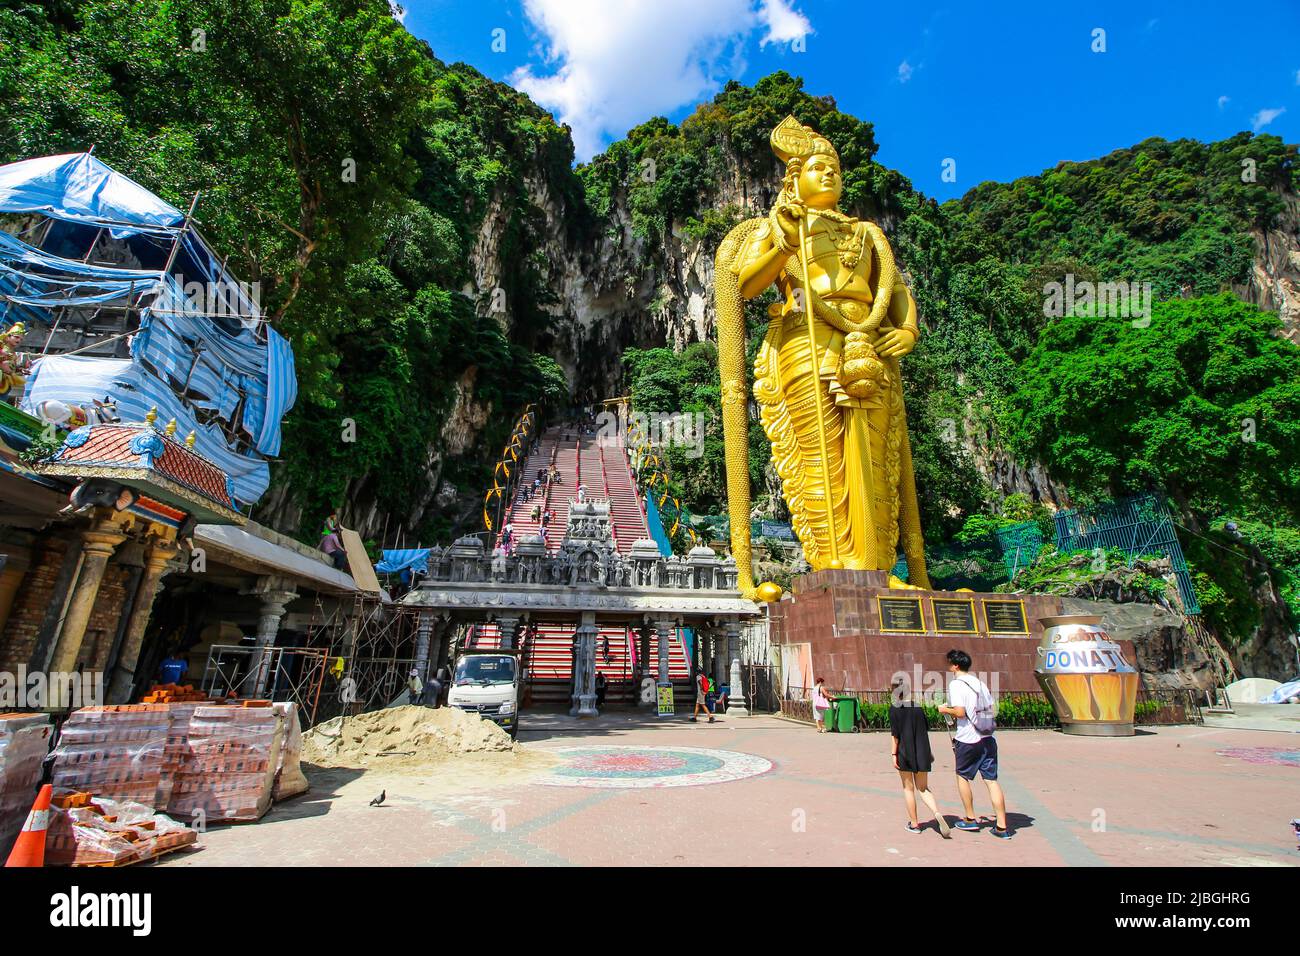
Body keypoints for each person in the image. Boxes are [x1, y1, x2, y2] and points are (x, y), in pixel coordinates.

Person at [937, 649, 1012, 839]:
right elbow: (990, 708)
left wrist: (944, 709)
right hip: (987, 737)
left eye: (949, 663)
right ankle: (1002, 826)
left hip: (968, 739)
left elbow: (960, 712)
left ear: (955, 665)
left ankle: (970, 819)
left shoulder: (956, 684)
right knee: (991, 781)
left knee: (962, 776)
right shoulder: (980, 683)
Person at [889, 677, 950, 837]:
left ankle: (914, 824)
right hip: (922, 752)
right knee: (923, 788)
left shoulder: (894, 709)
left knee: (908, 789)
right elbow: (924, 730)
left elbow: (895, 736)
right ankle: (936, 812)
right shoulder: (918, 708)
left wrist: (893, 754)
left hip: (904, 752)